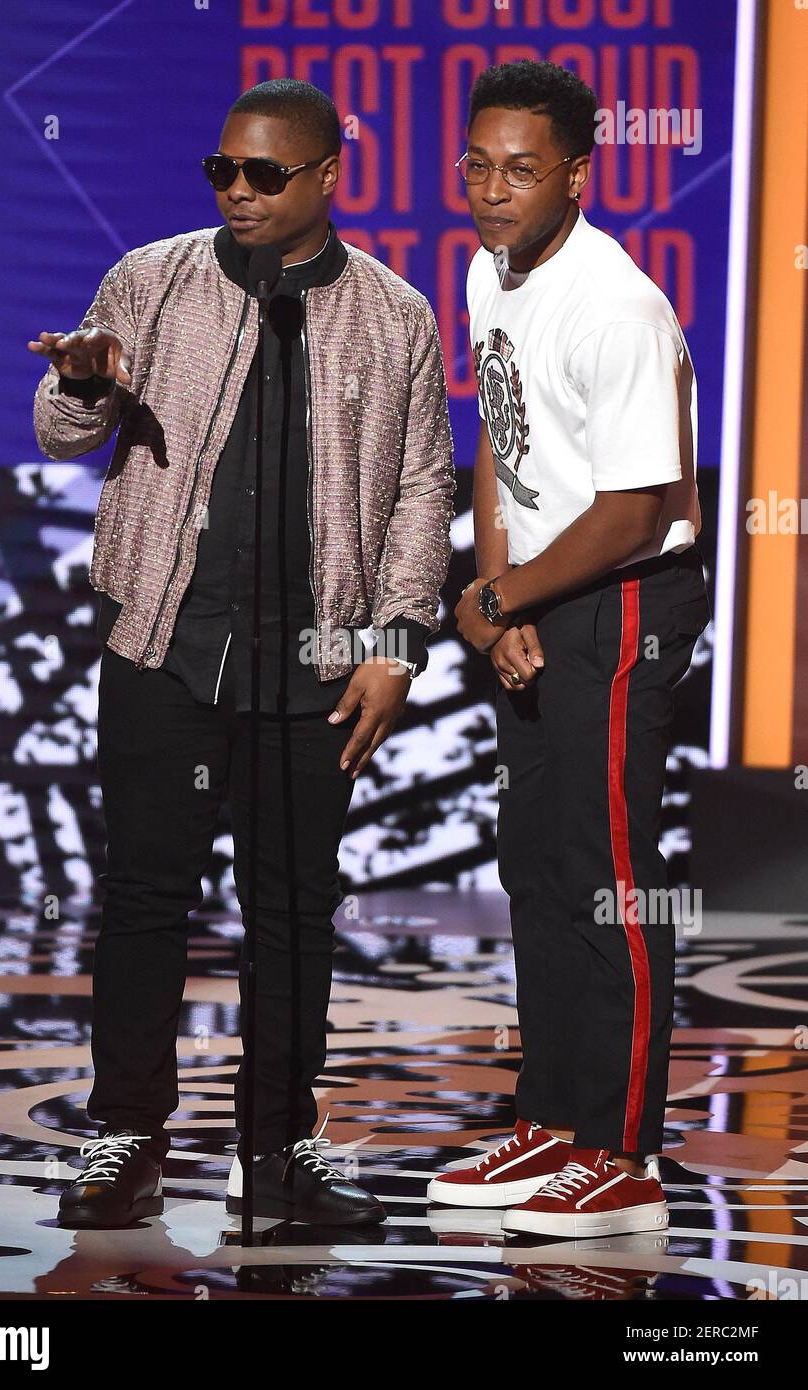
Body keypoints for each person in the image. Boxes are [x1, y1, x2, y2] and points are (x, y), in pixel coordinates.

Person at [29, 78, 454, 1229]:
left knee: (293, 914)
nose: (239, 192)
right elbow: (66, 421)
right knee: (143, 900)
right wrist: (75, 386)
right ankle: (127, 1138)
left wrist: (394, 644)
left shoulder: (395, 314)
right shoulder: (150, 280)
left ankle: (276, 1146)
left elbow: (421, 487)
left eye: (266, 174)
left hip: (314, 664)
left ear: (327, 176)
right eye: (223, 171)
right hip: (164, 648)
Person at [428, 60, 708, 1237]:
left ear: (578, 174)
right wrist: (499, 591)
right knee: (536, 865)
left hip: (625, 597)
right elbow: (498, 437)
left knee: (606, 874)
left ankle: (624, 1150)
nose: (492, 192)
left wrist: (498, 600)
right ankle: (552, 1117)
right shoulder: (493, 274)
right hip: (540, 597)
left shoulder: (617, 305)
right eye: (477, 166)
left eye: (521, 170)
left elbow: (637, 508)